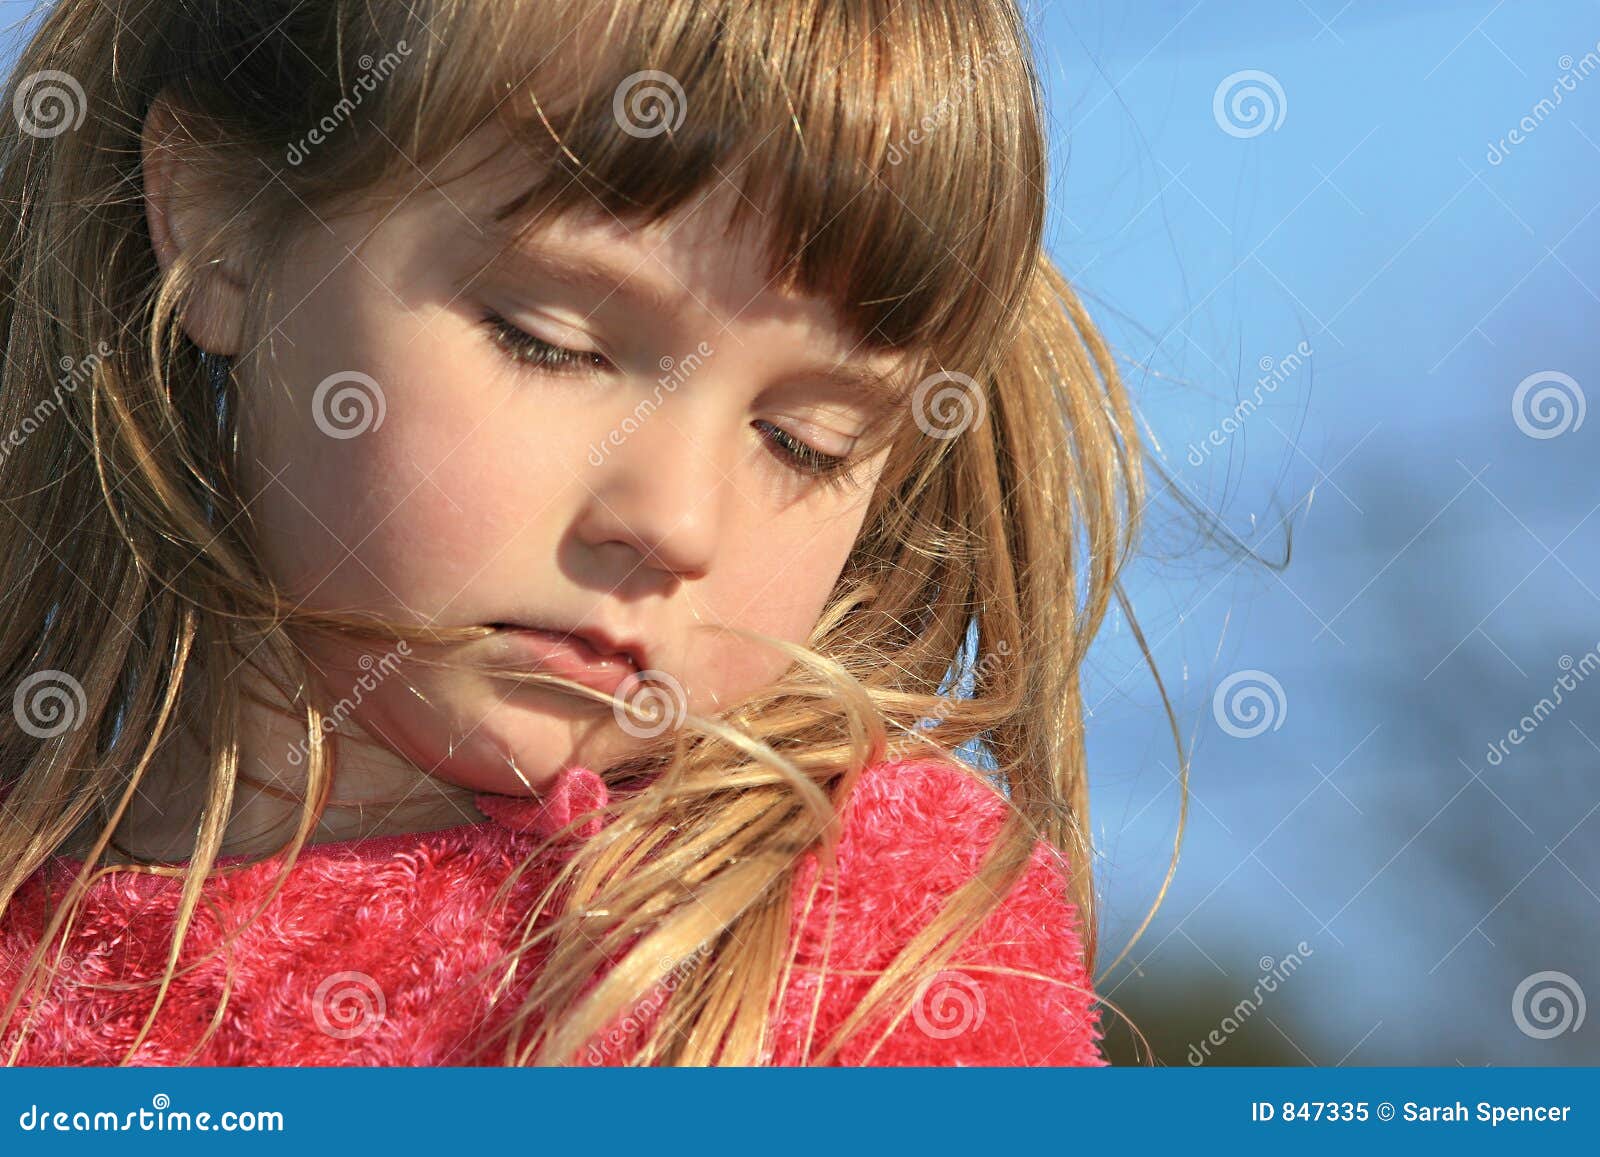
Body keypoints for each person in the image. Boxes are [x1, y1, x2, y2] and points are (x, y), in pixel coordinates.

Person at [0, 0, 1175, 1065]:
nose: (674, 523)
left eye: (805, 438)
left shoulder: (867, 952)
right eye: (550, 340)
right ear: (215, 224)